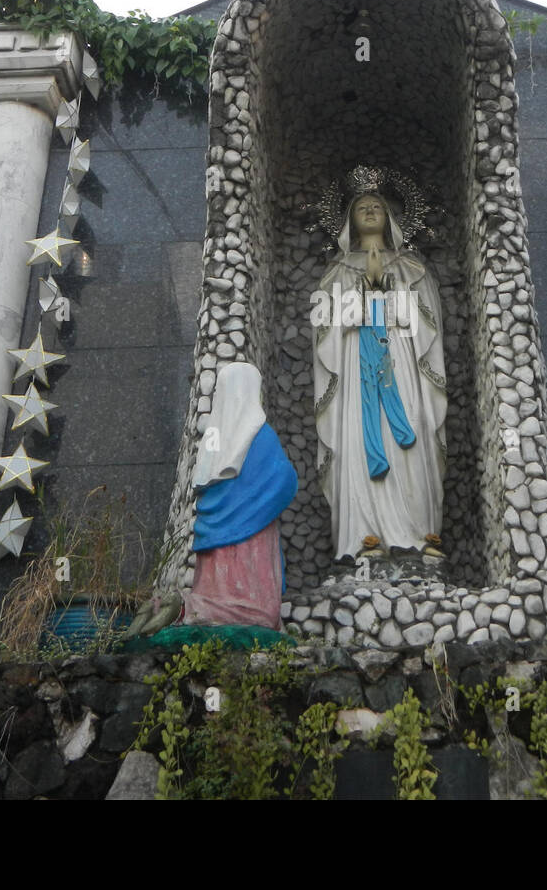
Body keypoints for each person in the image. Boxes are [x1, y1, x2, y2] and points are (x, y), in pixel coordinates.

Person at [312, 181, 447, 561]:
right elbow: (325, 324)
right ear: (349, 222)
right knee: (357, 437)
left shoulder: (411, 267)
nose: (371, 211)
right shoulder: (336, 271)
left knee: (412, 430)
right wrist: (365, 297)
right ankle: (363, 537)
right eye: (361, 208)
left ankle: (419, 535)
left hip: (401, 362)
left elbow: (424, 322)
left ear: (390, 217)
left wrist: (381, 297)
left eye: (377, 206)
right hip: (356, 365)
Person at [128, 362, 296, 636]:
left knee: (218, 591)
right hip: (252, 544)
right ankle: (191, 608)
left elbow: (204, 479)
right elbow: (286, 480)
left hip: (212, 538)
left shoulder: (214, 437)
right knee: (259, 611)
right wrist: (258, 505)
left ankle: (184, 606)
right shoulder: (261, 436)